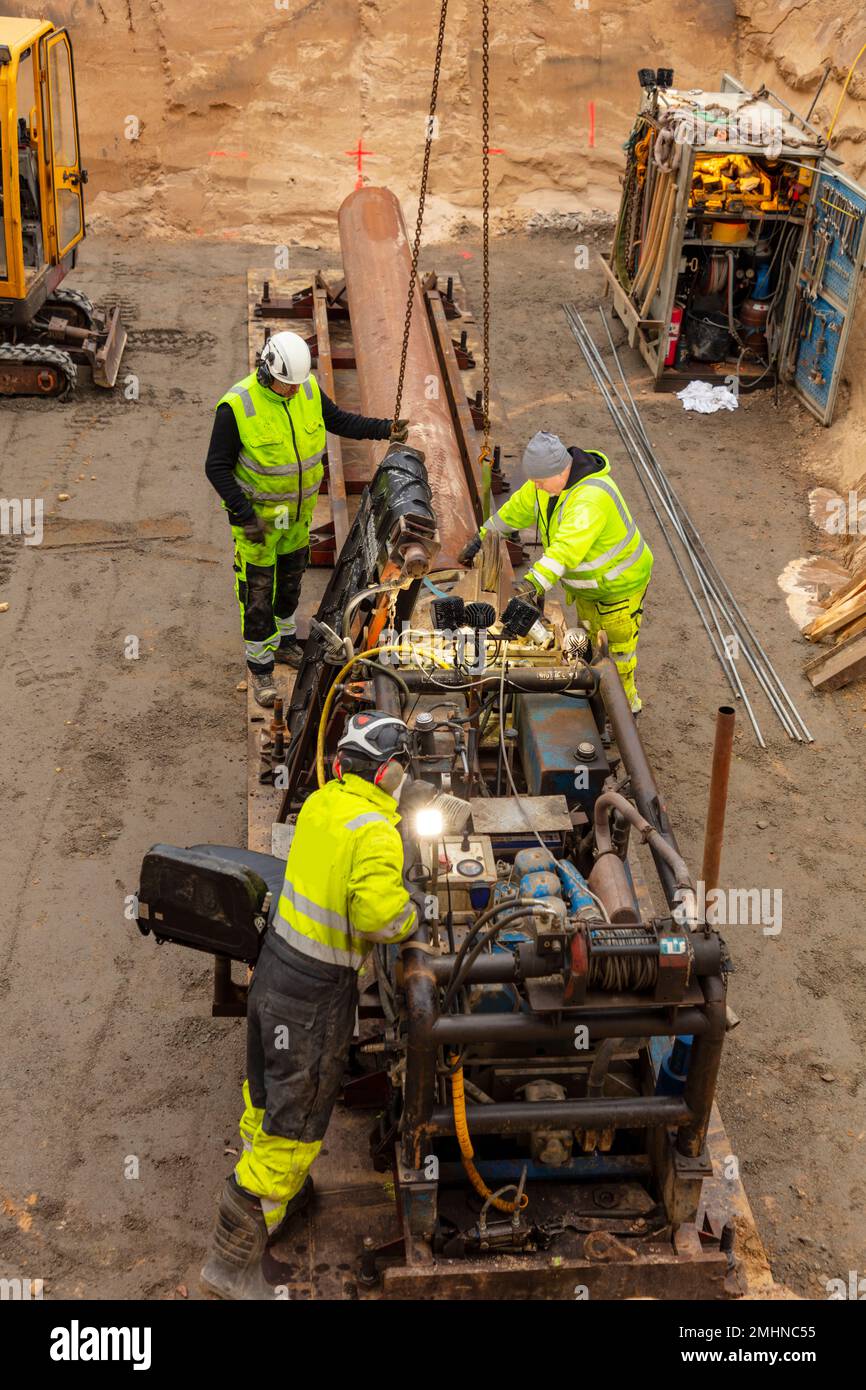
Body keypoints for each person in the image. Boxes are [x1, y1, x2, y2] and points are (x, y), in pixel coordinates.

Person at [200, 711, 419, 1300]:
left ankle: (280, 1203)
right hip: (315, 996)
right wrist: (413, 912)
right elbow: (379, 917)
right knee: (295, 1122)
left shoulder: (323, 804)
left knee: (266, 1096)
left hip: (274, 970)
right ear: (388, 771)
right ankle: (230, 1264)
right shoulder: (376, 830)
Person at [205, 330, 409, 706]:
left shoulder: (307, 390)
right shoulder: (237, 407)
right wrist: (245, 514)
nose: (294, 392)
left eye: (297, 385)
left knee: (290, 584)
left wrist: (383, 428)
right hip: (258, 524)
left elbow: (340, 421)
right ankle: (261, 669)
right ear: (268, 372)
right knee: (258, 594)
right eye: (287, 386)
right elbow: (216, 467)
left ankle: (284, 644)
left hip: (295, 520)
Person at [459, 430, 653, 712]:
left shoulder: (591, 498)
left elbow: (565, 550)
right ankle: (594, 692)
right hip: (591, 589)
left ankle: (625, 711)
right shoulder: (546, 486)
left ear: (562, 470)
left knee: (618, 657)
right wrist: (483, 536)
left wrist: (531, 585)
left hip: (619, 590)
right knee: (590, 642)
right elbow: (514, 511)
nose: (536, 486)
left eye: (539, 481)